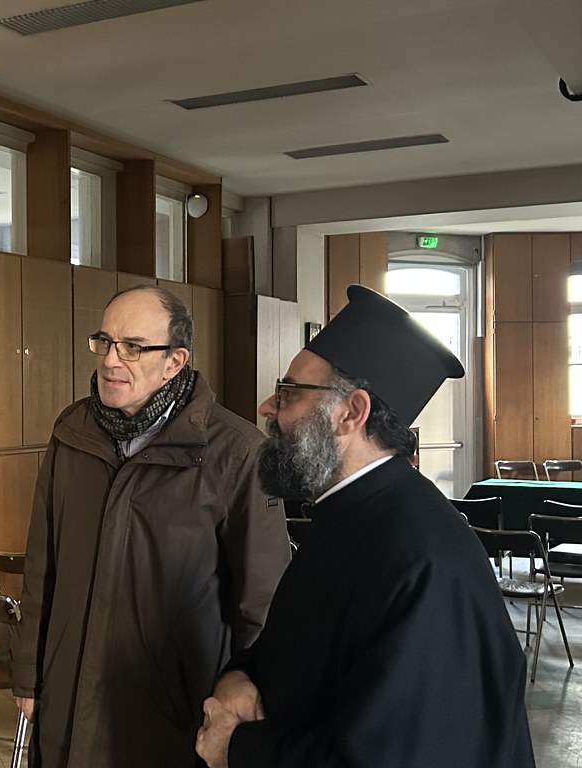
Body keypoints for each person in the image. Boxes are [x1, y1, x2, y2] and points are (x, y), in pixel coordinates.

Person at [196, 285, 534, 767]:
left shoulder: (419, 557)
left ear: (351, 413)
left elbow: (399, 756)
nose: (268, 408)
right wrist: (239, 677)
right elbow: (296, 652)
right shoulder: (350, 513)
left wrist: (239, 748)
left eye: (288, 391)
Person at [11, 284, 292, 767]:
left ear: (176, 361)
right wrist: (30, 675)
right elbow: (43, 567)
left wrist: (249, 705)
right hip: (67, 689)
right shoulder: (71, 433)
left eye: (134, 347)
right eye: (105, 341)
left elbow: (262, 602)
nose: (111, 360)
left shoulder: (237, 452)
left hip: (174, 707)